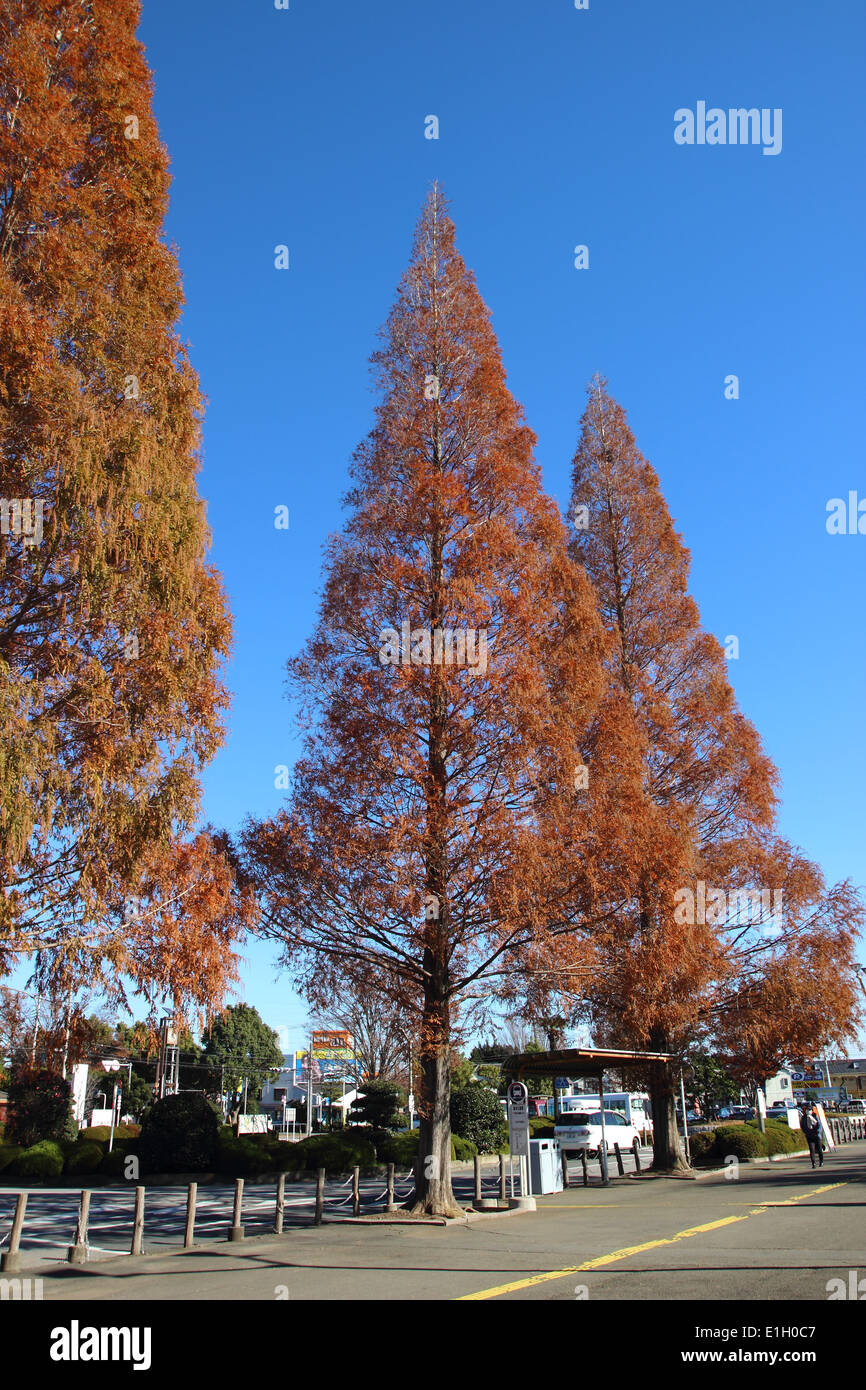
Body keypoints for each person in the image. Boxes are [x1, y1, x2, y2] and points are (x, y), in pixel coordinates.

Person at [800, 1102, 824, 1168]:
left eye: (809, 1109)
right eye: (807, 1110)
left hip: (816, 1135)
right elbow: (802, 1126)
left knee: (819, 1149)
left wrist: (817, 1132)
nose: (808, 1111)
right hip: (809, 1135)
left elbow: (819, 1125)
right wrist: (806, 1132)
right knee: (812, 1149)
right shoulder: (804, 1117)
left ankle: (821, 1161)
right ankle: (813, 1163)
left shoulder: (815, 1116)